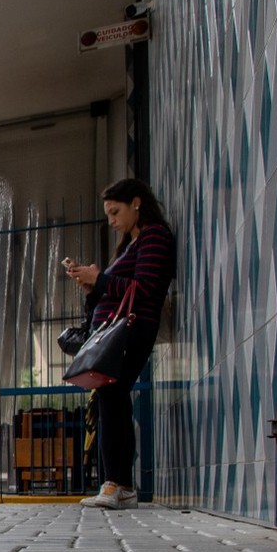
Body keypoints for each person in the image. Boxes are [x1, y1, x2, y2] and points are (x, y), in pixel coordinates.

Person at [63, 177, 176, 509]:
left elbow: (144, 290)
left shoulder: (153, 237)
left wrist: (100, 278)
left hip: (132, 331)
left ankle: (117, 484)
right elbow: (118, 289)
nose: (111, 221)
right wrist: (91, 285)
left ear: (136, 204)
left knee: (111, 396)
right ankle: (119, 484)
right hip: (119, 331)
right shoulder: (132, 243)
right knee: (112, 398)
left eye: (115, 212)